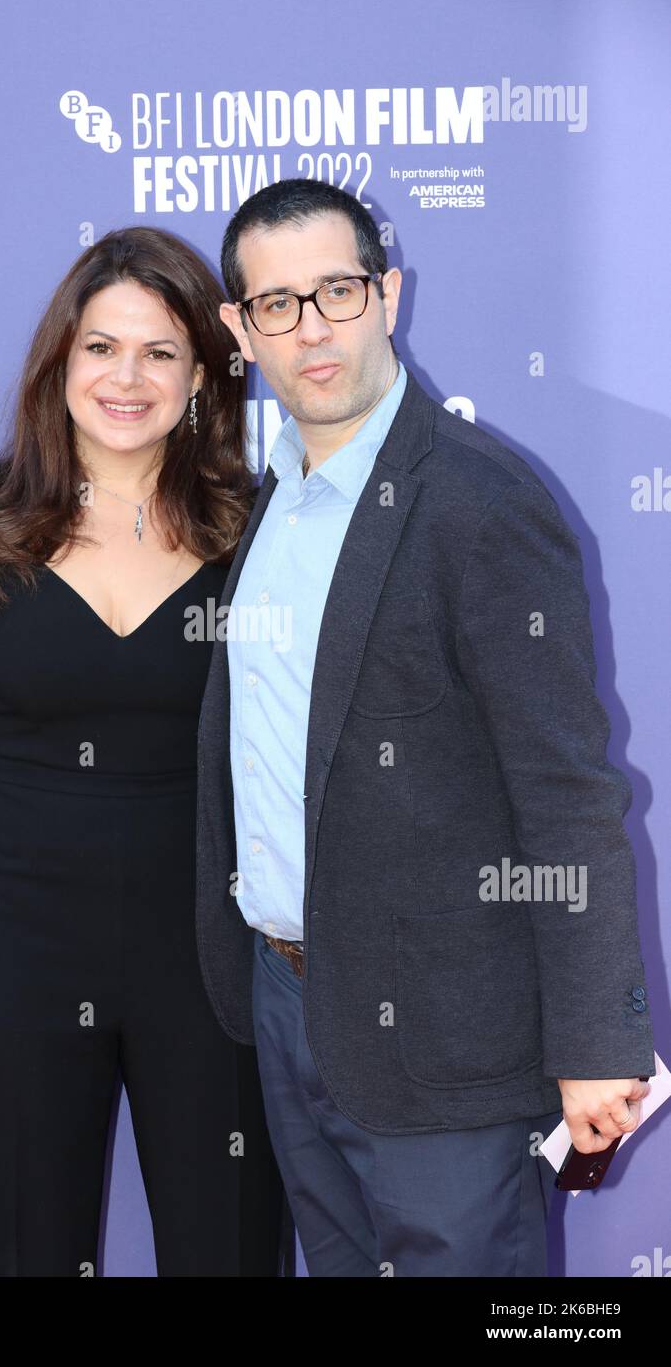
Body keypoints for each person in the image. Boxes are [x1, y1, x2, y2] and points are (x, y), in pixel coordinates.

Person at [194, 176, 656, 1277]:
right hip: (291, 1007)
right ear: (237, 330)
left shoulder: (481, 501)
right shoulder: (271, 505)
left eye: (337, 291)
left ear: (388, 294)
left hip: (445, 1035)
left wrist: (595, 1044)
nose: (311, 329)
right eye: (276, 304)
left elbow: (566, 791)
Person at [0, 226, 288, 1277]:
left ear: (200, 376)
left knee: (227, 1247)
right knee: (21, 1248)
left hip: (214, 951)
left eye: (158, 352)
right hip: (18, 947)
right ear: (60, 363)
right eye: (100, 347)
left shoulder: (258, 528)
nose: (125, 377)